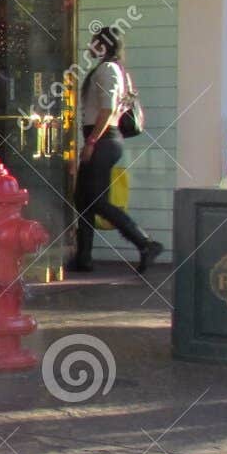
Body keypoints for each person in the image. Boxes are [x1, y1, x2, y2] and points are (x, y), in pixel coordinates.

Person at [68, 26, 163, 275]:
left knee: (96, 201)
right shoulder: (113, 69)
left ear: (104, 44)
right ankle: (84, 257)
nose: (90, 45)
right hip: (105, 139)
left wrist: (90, 143)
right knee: (84, 201)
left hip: (103, 139)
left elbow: (108, 110)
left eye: (95, 41)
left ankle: (145, 243)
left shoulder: (108, 70)